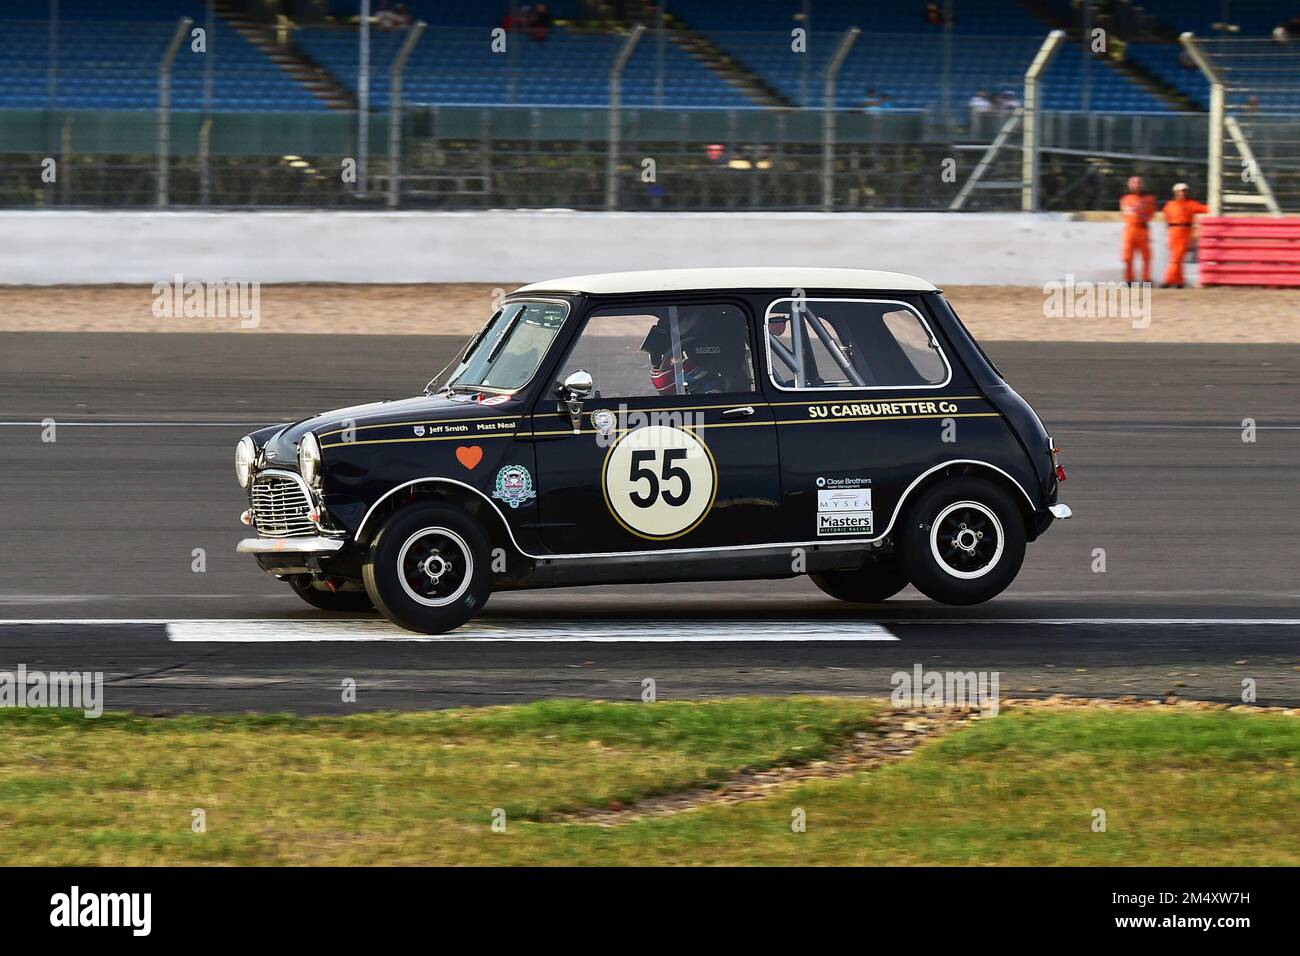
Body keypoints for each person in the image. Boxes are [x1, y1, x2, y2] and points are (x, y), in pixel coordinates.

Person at [1162, 183, 1210, 288]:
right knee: (1176, 258)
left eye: (1185, 191)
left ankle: (1169, 280)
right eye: (1181, 191)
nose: (1183, 193)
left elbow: (1206, 209)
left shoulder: (1191, 204)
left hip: (1184, 231)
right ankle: (1179, 281)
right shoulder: (1169, 205)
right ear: (1175, 192)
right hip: (1173, 231)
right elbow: (1166, 218)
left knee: (1177, 258)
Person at [1119, 175, 1157, 284]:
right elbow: (1125, 213)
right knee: (1127, 256)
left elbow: (1151, 214)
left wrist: (1142, 216)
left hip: (1143, 229)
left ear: (1143, 184)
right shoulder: (1125, 199)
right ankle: (1129, 279)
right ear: (1129, 185)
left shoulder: (1150, 199)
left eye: (1139, 182)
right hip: (1130, 229)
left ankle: (1146, 278)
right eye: (1134, 183)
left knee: (1147, 256)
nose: (1136, 185)